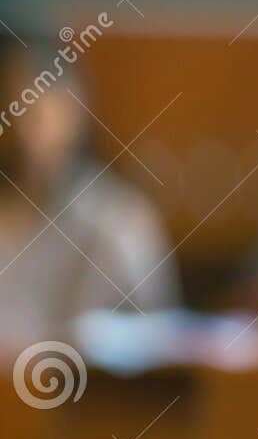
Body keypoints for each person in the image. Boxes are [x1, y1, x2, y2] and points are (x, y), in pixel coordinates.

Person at [0, 32, 181, 350]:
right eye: (12, 109)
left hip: (87, 396)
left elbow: (156, 348)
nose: (26, 133)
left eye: (38, 113)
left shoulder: (120, 222)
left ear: (76, 106)